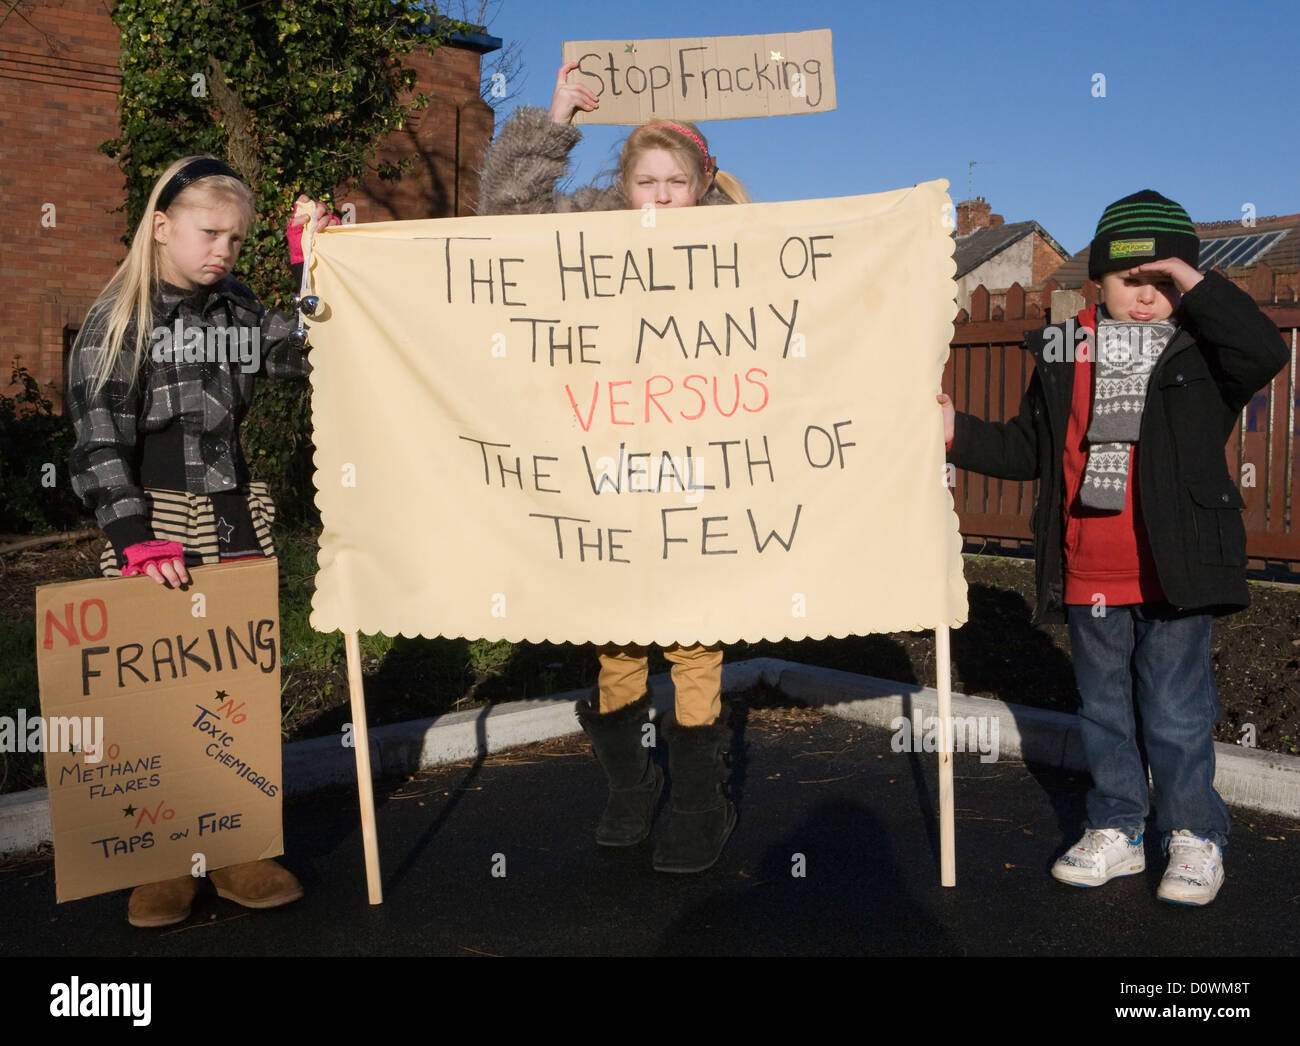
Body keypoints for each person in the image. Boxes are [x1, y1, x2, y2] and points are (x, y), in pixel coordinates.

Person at [939, 190, 1287, 905]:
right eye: (1134, 280)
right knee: (1103, 711)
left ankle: (1194, 835)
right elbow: (1030, 448)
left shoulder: (1204, 351)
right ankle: (1119, 830)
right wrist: (956, 432)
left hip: (1173, 568)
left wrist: (1192, 279)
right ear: (1098, 279)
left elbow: (1263, 350)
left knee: (1175, 709)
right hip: (1089, 565)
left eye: (1166, 282)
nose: (1149, 297)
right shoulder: (1066, 353)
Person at [476, 63, 751, 873]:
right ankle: (630, 791)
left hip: (701, 468)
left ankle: (701, 805)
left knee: (696, 642)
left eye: (675, 182)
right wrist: (556, 117)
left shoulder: (746, 249)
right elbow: (506, 215)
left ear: (700, 187)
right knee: (618, 639)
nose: (659, 196)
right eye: (644, 181)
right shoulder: (588, 236)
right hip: (604, 463)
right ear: (622, 186)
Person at [66, 154, 336, 926]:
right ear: (161, 225)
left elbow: (304, 349)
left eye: (237, 238)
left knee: (233, 689)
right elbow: (93, 439)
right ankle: (160, 861)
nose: (223, 249)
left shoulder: (237, 308)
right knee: (154, 696)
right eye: (209, 231)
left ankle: (236, 846)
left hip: (232, 513)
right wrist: (130, 529)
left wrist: (313, 263)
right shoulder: (118, 316)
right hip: (152, 518)